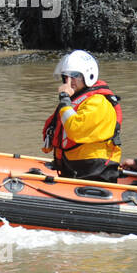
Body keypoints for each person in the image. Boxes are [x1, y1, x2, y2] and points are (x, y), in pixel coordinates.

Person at [41, 50, 121, 183]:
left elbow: (76, 130)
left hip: (95, 170)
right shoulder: (76, 100)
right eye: (65, 76)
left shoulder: (98, 102)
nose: (69, 81)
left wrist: (64, 99)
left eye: (74, 76)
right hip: (76, 168)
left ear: (88, 75)